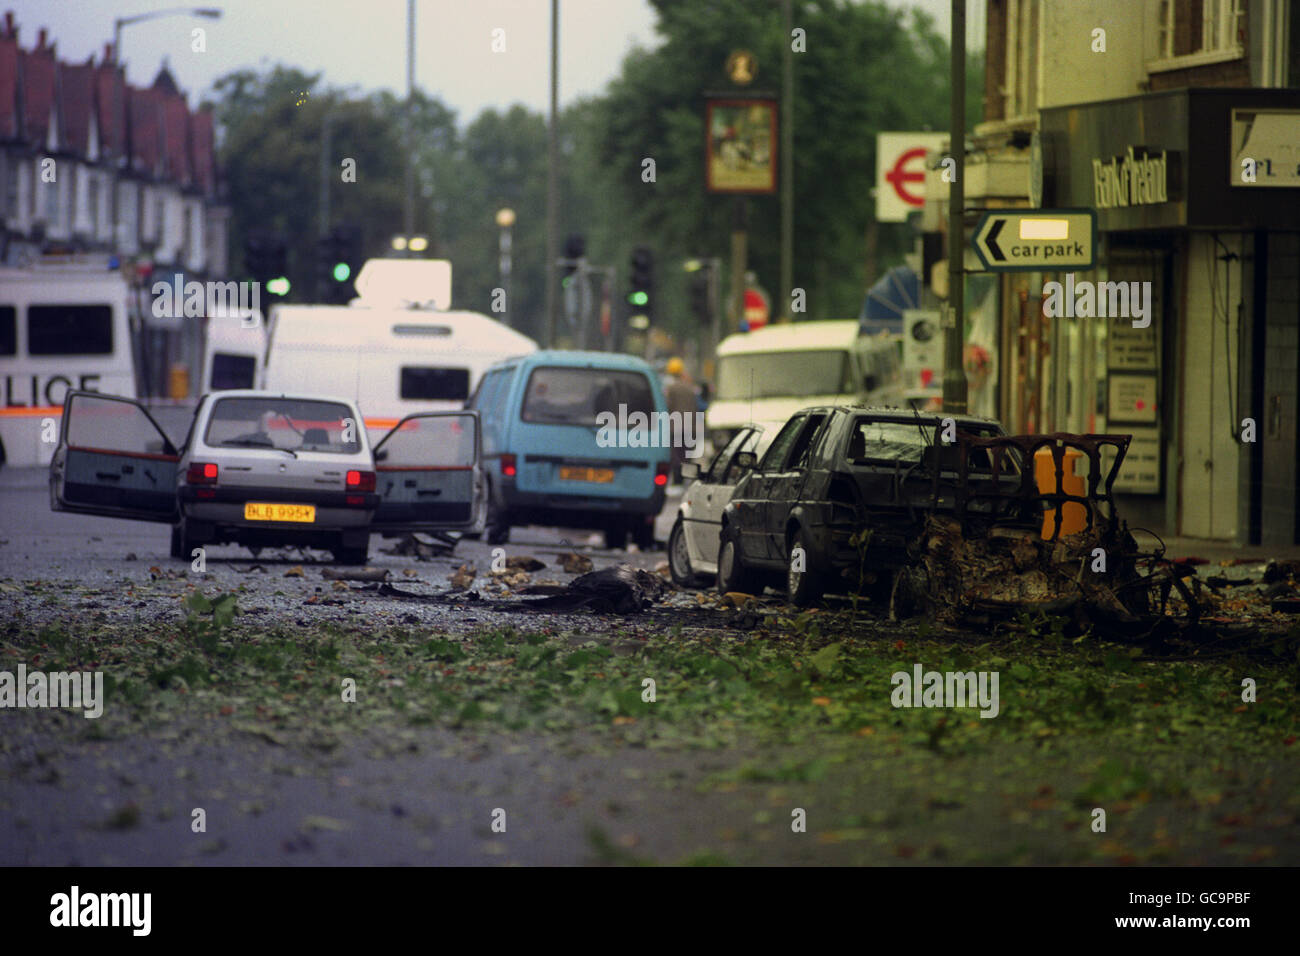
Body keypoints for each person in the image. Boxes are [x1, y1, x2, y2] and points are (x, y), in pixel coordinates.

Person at [662, 357, 697, 483]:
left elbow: (668, 406)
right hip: (690, 426)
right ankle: (688, 478)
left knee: (676, 453)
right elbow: (696, 407)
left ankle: (678, 478)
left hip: (675, 427)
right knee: (687, 454)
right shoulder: (690, 388)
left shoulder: (670, 388)